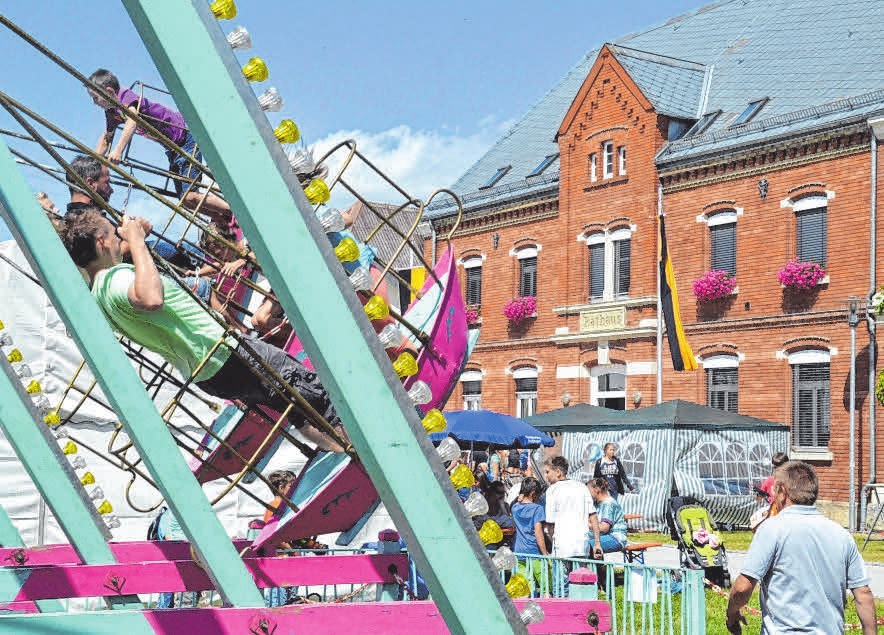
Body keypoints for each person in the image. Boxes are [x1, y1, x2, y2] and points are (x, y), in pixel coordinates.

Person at [59, 208, 344, 453]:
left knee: (296, 409)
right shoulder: (118, 279)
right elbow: (151, 298)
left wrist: (137, 239)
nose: (118, 239)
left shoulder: (99, 296)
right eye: (113, 234)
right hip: (224, 354)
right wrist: (137, 242)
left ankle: (344, 453)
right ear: (101, 241)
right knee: (312, 393)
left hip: (209, 373)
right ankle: (359, 446)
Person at [726, 461, 876, 635]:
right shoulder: (841, 534)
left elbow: (742, 587)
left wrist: (731, 613)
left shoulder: (772, 528)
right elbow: (863, 593)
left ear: (782, 492)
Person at [87, 69, 231, 222]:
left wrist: (118, 150)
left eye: (95, 98)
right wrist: (93, 164)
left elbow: (132, 120)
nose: (94, 102)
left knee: (190, 195)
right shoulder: (112, 112)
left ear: (109, 92)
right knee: (185, 201)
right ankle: (223, 219)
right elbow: (107, 137)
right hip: (173, 149)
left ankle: (233, 211)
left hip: (185, 138)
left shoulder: (125, 97)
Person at [543, 456, 603, 595]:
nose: (546, 476)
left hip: (562, 548)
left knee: (561, 590)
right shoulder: (582, 487)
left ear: (558, 472)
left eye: (547, 472)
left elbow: (550, 524)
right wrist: (597, 543)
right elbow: (593, 516)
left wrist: (552, 540)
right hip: (581, 546)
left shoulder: (552, 490)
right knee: (580, 588)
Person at [511, 477, 549, 595]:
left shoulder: (515, 508)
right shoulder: (537, 509)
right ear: (533, 494)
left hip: (519, 552)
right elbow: (538, 533)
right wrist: (545, 554)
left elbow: (514, 503)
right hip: (534, 552)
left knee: (526, 588)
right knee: (546, 587)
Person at [586, 477, 627, 554]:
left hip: (615, 538)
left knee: (585, 545)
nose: (587, 494)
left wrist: (586, 524)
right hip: (603, 536)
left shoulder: (608, 504)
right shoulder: (596, 504)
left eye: (588, 491)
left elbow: (604, 528)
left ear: (597, 489)